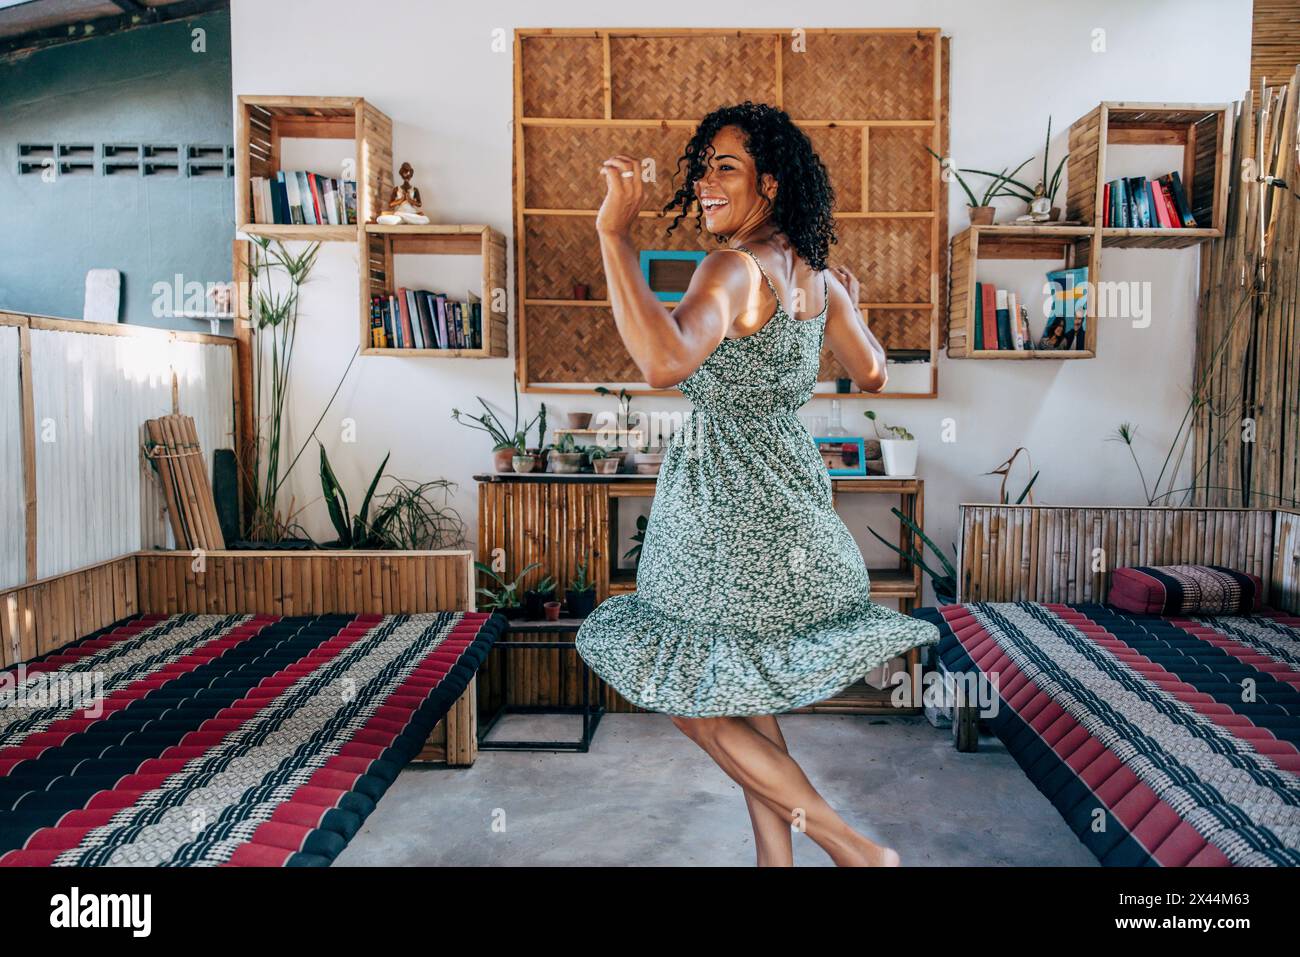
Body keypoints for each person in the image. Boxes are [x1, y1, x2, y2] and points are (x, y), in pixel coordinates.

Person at [574, 102, 940, 867]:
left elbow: (663, 361)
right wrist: (854, 303)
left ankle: (857, 851)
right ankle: (778, 862)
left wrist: (614, 233)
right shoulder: (813, 275)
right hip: (790, 507)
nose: (705, 182)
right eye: (701, 167)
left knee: (688, 691)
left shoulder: (730, 268)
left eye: (725, 167)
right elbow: (872, 368)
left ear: (770, 182)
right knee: (733, 691)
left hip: (720, 514)